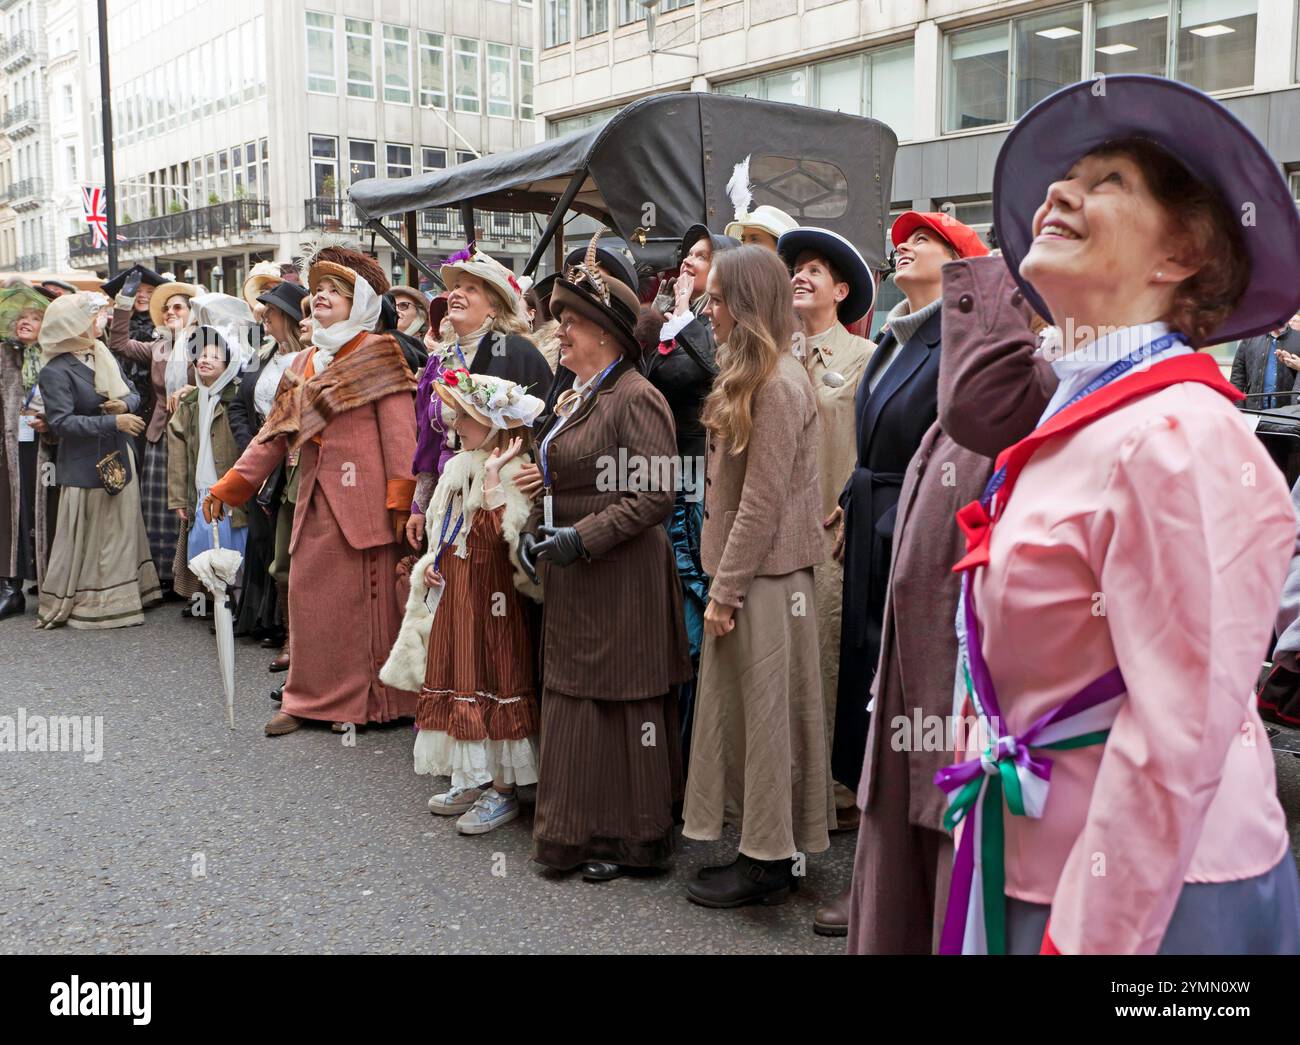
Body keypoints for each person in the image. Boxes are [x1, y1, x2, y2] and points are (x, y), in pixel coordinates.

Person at [937, 74, 1300, 955]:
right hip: (1048, 872)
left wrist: (1086, 943)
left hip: (1154, 912)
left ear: (1179, 257)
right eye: (1072, 177)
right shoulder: (1098, 412)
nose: (1059, 191)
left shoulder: (1179, 435)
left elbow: (1179, 736)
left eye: (1108, 183)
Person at [843, 255, 1056, 951]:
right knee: (902, 840)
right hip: (915, 652)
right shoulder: (921, 370)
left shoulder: (1032, 393)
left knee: (938, 850)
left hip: (959, 682)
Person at [518, 234, 692, 882]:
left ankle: (632, 841)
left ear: (607, 334)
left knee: (622, 704)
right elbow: (558, 478)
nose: (559, 331)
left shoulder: (636, 398)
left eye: (571, 322)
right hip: (580, 576)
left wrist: (580, 538)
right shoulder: (586, 393)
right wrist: (537, 533)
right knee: (578, 700)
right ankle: (574, 834)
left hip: (621, 576)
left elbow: (654, 494)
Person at [203, 246, 419, 736]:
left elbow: (401, 437)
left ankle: (371, 704)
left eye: (334, 293)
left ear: (359, 302)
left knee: (363, 610)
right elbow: (274, 434)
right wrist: (232, 485)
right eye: (318, 291)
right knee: (308, 599)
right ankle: (305, 699)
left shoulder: (380, 353)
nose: (320, 298)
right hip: (313, 500)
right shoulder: (302, 361)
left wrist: (402, 504)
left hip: (370, 508)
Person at [680, 243, 830, 907]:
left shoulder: (775, 382)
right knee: (754, 719)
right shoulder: (762, 371)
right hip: (760, 577)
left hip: (764, 581)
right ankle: (764, 850)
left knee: (767, 723)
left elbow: (761, 504)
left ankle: (768, 860)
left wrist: (725, 590)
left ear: (745, 306)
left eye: (716, 299)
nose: (706, 310)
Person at [832, 212, 989, 799]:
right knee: (868, 663)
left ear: (959, 261)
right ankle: (877, 793)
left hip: (916, 525)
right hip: (876, 517)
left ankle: (910, 802)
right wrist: (854, 495)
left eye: (923, 239)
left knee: (905, 668)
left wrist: (903, 513)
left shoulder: (958, 339)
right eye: (900, 239)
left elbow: (961, 447)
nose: (904, 246)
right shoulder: (890, 341)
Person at [381, 371, 544, 833]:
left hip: (493, 598)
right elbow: (446, 529)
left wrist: (492, 479)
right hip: (458, 593)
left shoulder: (511, 470)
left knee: (494, 674)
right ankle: (475, 775)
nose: (455, 421)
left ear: (495, 425)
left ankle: (504, 790)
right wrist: (431, 563)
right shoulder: (457, 464)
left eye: (467, 415)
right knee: (461, 675)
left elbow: (500, 539)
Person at [776, 226, 877, 842]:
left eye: (817, 270)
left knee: (830, 655)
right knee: (781, 658)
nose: (801, 275)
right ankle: (784, 782)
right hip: (773, 534)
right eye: (796, 268)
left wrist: (851, 503)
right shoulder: (771, 357)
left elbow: (876, 448)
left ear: (841, 291)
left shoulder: (866, 360)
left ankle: (835, 790)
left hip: (831, 534)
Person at [644, 224, 738, 757]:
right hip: (664, 471)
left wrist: (683, 316)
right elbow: (651, 375)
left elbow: (714, 374)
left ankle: (695, 754)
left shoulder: (720, 324)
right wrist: (674, 314)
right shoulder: (677, 313)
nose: (688, 261)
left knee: (692, 603)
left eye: (701, 255)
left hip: (702, 474)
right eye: (687, 253)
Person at [405, 248, 550, 552]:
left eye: (471, 288)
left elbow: (547, 424)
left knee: (486, 586)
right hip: (448, 493)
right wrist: (420, 505)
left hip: (498, 495)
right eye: (456, 286)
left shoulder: (516, 351)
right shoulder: (438, 361)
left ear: (494, 309)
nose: (457, 293)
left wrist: (546, 470)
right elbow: (429, 439)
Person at [35, 294, 160, 629]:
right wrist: (112, 423)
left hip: (119, 455)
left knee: (120, 532)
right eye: (94, 316)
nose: (101, 320)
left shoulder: (101, 352)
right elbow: (61, 424)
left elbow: (133, 392)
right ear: (72, 325)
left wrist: (125, 406)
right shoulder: (55, 370)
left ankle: (126, 596)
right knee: (96, 540)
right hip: (85, 465)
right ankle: (94, 604)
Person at [230, 279, 309, 662]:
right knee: (266, 544)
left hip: (295, 461)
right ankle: (266, 620)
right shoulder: (261, 357)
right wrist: (252, 449)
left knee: (294, 546)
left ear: (291, 319)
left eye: (273, 314)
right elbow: (238, 405)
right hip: (262, 457)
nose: (266, 320)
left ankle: (294, 635)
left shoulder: (310, 359)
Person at [107, 269, 197, 597]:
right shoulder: (158, 347)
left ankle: (186, 575)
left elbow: (221, 376)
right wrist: (125, 302)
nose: (171, 313)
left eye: (179, 308)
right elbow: (118, 342)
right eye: (167, 309)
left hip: (192, 435)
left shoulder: (205, 343)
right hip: (161, 432)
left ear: (193, 312)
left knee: (184, 503)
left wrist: (194, 388)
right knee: (157, 506)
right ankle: (160, 574)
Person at [167, 325, 255, 611]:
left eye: (214, 357)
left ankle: (239, 607)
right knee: (206, 547)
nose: (204, 360)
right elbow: (178, 452)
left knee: (235, 549)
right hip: (201, 487)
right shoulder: (190, 402)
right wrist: (179, 497)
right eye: (201, 355)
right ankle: (216, 604)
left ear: (228, 365)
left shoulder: (237, 399)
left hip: (230, 489)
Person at [0, 287, 53, 618]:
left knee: (45, 512)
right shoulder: (5, 354)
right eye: (21, 318)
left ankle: (51, 584)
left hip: (46, 444)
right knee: (10, 513)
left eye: (34, 318)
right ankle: (10, 587)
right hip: (9, 445)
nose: (26, 323)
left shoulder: (52, 355)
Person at [1229, 310, 1300, 408]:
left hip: (1286, 415)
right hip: (1254, 412)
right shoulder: (1250, 338)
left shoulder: (1298, 339)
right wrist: (1237, 409)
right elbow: (1237, 378)